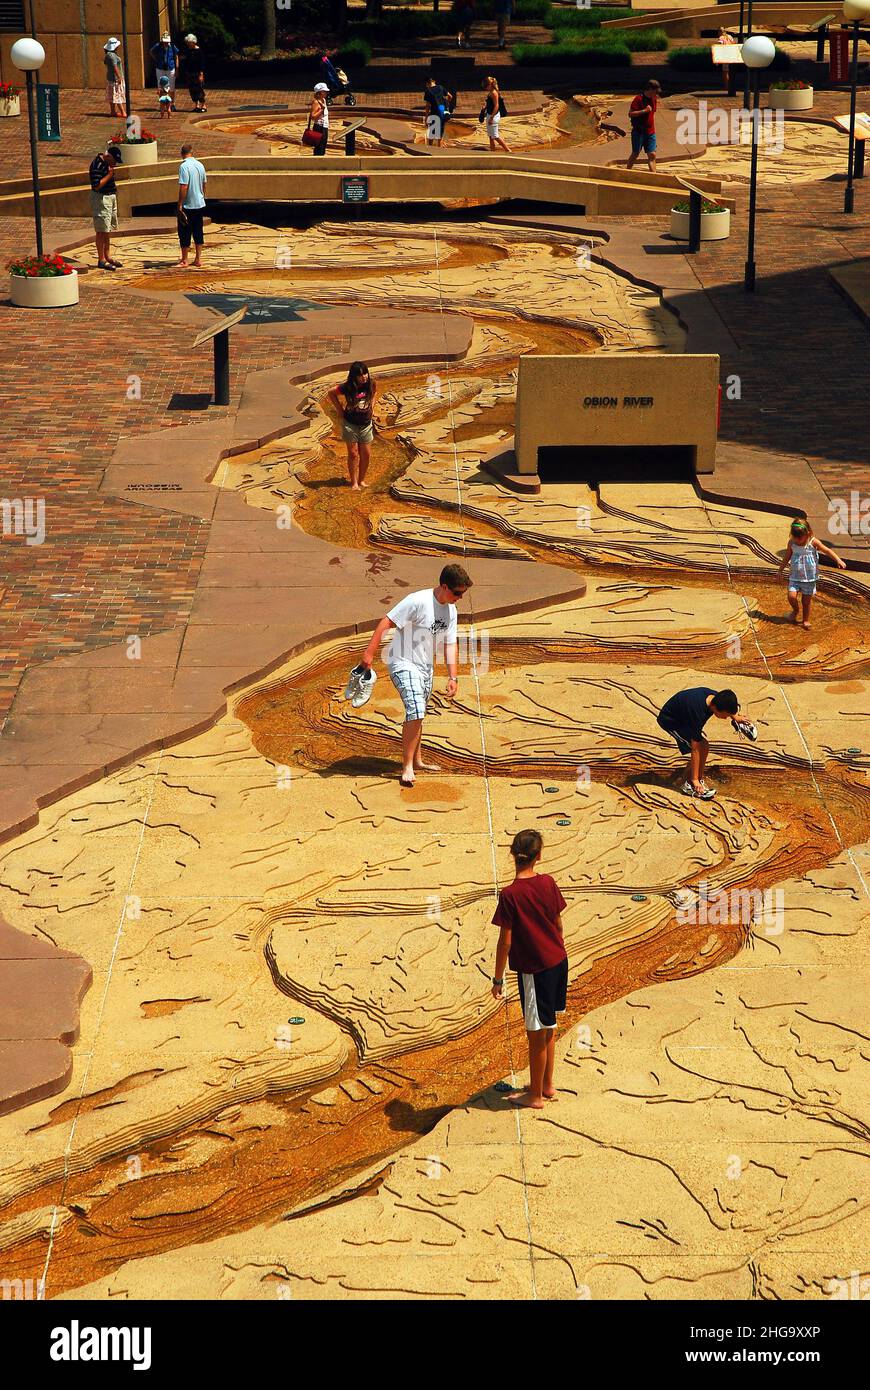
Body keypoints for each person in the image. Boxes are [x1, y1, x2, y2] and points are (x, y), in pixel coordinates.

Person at [357, 563, 473, 787]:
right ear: (444, 586)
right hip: (402, 662)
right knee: (416, 709)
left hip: (425, 667)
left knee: (418, 713)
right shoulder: (417, 601)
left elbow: (450, 643)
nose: (460, 597)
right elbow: (386, 622)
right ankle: (407, 767)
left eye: (463, 593)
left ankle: (417, 761)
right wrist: (369, 653)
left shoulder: (451, 610)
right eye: (457, 592)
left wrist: (453, 677)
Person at [491, 830, 568, 1110]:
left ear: (512, 854)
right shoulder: (548, 882)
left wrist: (498, 979)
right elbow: (558, 924)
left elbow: (505, 941)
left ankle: (535, 1096)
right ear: (539, 856)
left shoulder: (510, 895)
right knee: (549, 1026)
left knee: (536, 1033)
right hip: (558, 961)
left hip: (535, 971)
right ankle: (546, 1084)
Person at [657, 687, 757, 800]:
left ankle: (695, 779)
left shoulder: (715, 698)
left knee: (705, 745)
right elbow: (695, 748)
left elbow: (726, 702)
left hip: (683, 715)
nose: (725, 718)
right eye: (725, 715)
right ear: (716, 708)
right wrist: (695, 779)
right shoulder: (697, 713)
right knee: (699, 747)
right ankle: (691, 783)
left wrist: (736, 717)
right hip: (671, 721)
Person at [776, 518, 846, 629]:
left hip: (809, 578)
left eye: (800, 538)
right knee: (791, 596)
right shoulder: (792, 543)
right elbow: (787, 556)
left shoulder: (813, 542)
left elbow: (827, 550)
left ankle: (805, 620)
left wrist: (838, 560)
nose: (797, 540)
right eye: (795, 537)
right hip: (795, 576)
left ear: (808, 533)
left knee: (806, 601)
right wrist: (780, 569)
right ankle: (795, 610)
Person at [329, 362, 376, 490]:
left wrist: (372, 407)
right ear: (354, 376)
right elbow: (331, 393)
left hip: (366, 424)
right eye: (360, 375)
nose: (364, 377)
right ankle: (354, 483)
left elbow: (374, 393)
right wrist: (339, 410)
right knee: (353, 453)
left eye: (365, 373)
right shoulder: (348, 387)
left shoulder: (371, 384)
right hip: (350, 424)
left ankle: (362, 480)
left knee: (366, 454)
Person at [88, 142, 123, 271]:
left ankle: (108, 256)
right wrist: (109, 175)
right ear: (108, 156)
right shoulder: (96, 165)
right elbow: (96, 185)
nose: (115, 164)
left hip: (110, 197)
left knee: (107, 229)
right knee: (101, 230)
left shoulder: (108, 164)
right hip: (101, 199)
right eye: (114, 161)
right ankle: (101, 259)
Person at [175, 143, 207, 269]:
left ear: (181, 153)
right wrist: (202, 197)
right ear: (192, 152)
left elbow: (184, 186)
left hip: (188, 204)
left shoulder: (184, 166)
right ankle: (198, 259)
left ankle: (185, 260)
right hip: (199, 203)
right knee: (198, 230)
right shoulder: (200, 165)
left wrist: (180, 204)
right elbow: (204, 184)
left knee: (184, 232)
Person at [626, 79, 661, 174]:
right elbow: (630, 114)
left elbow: (652, 113)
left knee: (652, 154)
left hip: (650, 132)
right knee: (635, 153)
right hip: (639, 132)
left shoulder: (654, 99)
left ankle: (654, 176)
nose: (657, 94)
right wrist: (644, 111)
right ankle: (627, 172)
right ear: (650, 89)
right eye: (655, 91)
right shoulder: (638, 99)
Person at [481, 75, 509, 153]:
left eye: (486, 86)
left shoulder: (494, 93)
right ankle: (492, 150)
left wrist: (492, 117)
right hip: (489, 114)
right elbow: (491, 104)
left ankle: (507, 149)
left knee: (495, 136)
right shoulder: (490, 93)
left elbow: (496, 105)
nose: (485, 88)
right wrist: (485, 108)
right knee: (491, 135)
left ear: (490, 85)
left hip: (493, 115)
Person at [150, 31, 179, 106]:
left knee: (171, 86)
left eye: (167, 41)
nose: (165, 43)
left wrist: (177, 68)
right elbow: (151, 51)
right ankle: (162, 104)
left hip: (170, 68)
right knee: (160, 86)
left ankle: (172, 104)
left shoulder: (172, 46)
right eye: (164, 41)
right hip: (160, 68)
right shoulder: (158, 45)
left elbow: (176, 57)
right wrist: (156, 59)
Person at [423, 77, 453, 147]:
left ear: (427, 84)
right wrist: (447, 105)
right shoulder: (440, 87)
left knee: (431, 134)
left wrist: (426, 117)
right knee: (440, 136)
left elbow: (428, 106)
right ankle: (439, 149)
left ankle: (430, 149)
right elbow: (450, 96)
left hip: (434, 113)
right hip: (442, 112)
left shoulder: (428, 91)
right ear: (434, 82)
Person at [182, 34, 206, 112]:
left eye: (190, 43)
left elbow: (202, 63)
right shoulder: (188, 51)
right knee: (192, 90)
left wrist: (201, 74)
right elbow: (186, 61)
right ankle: (196, 105)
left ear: (193, 42)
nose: (188, 44)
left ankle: (203, 105)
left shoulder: (199, 51)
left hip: (197, 73)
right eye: (187, 43)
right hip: (190, 73)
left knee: (199, 89)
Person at [103, 37, 126, 120]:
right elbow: (115, 67)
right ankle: (123, 112)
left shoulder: (108, 55)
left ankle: (113, 111)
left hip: (110, 78)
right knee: (117, 95)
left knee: (112, 95)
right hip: (115, 79)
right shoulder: (112, 56)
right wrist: (119, 77)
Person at [308, 82, 330, 156]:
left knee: (323, 147)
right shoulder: (316, 102)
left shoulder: (323, 100)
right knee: (319, 148)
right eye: (324, 91)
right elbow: (313, 116)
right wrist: (321, 110)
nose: (326, 93)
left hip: (324, 127)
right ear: (320, 92)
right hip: (319, 127)